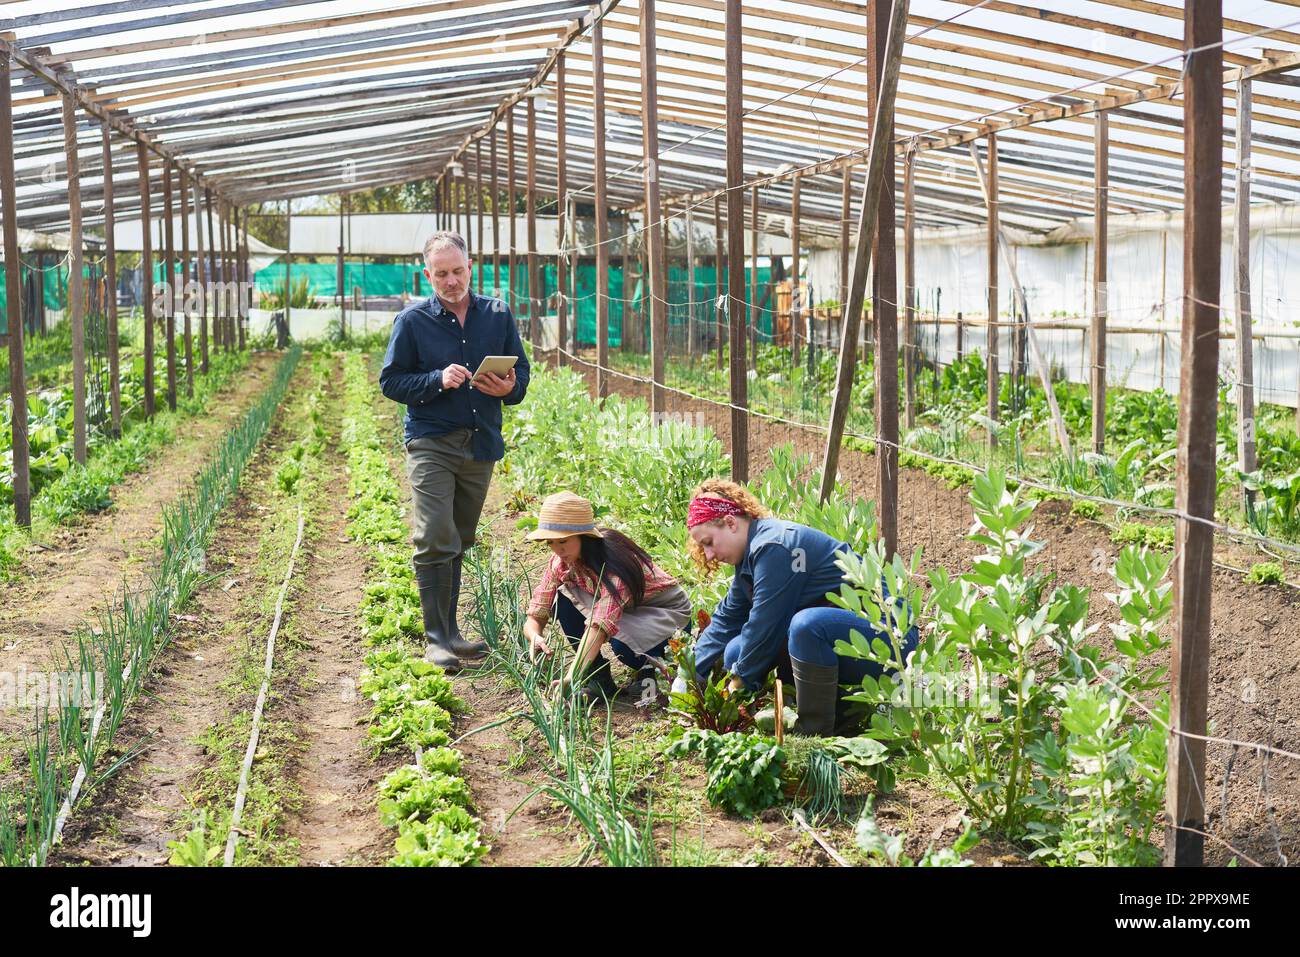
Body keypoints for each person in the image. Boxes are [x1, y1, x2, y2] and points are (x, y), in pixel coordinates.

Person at [380, 231, 530, 671]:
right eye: (441, 273)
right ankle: (435, 639)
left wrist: (508, 386)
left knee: (459, 538)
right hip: (432, 441)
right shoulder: (411, 322)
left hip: (480, 442)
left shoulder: (497, 316)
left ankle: (453, 634)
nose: (451, 281)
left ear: (471, 268)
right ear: (427, 275)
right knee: (433, 535)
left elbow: (520, 378)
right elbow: (391, 381)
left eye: (458, 271)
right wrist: (435, 380)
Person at [684, 478, 917, 736]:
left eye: (708, 542)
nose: (708, 555)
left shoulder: (775, 546)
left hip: (891, 640)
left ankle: (813, 732)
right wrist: (688, 678)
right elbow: (725, 622)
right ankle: (801, 712)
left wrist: (737, 684)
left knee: (806, 626)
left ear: (730, 523)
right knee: (736, 651)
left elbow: (765, 626)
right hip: (845, 641)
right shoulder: (748, 562)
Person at [523, 492, 692, 704]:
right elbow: (538, 609)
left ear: (584, 536)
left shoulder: (613, 563)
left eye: (563, 541)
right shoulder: (560, 561)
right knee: (564, 597)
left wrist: (571, 675)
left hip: (666, 613)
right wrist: (534, 635)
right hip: (630, 611)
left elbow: (600, 627)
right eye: (551, 543)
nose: (557, 550)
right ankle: (598, 680)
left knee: (623, 647)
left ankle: (653, 667)